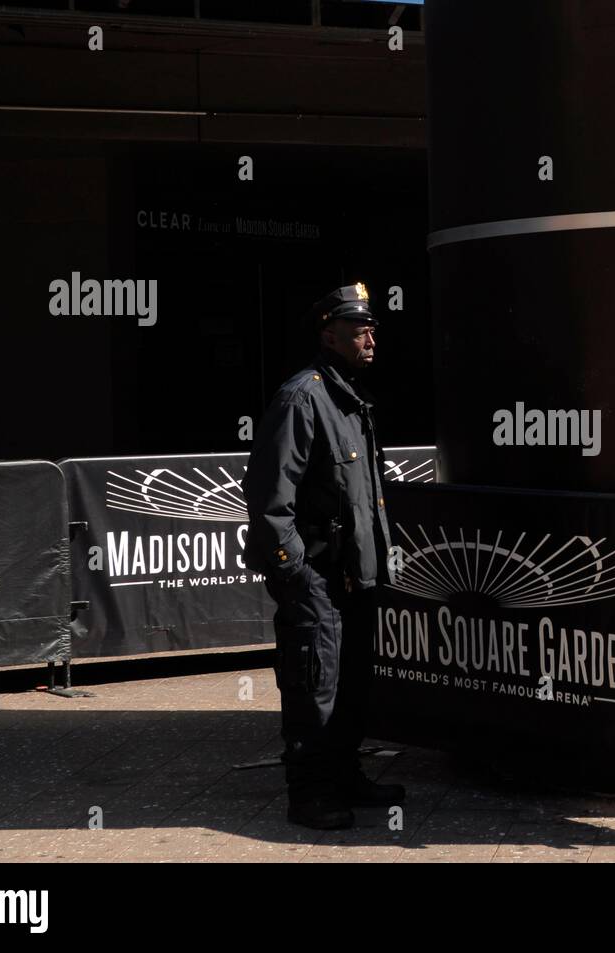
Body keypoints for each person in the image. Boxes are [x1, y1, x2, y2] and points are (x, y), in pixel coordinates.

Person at [241, 281, 404, 830]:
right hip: (317, 576)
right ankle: (308, 794)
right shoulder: (303, 397)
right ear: (328, 334)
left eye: (372, 327)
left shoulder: (349, 399)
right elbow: (269, 498)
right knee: (315, 685)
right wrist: (295, 574)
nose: (370, 336)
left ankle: (344, 776)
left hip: (353, 578)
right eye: (359, 328)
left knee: (352, 684)